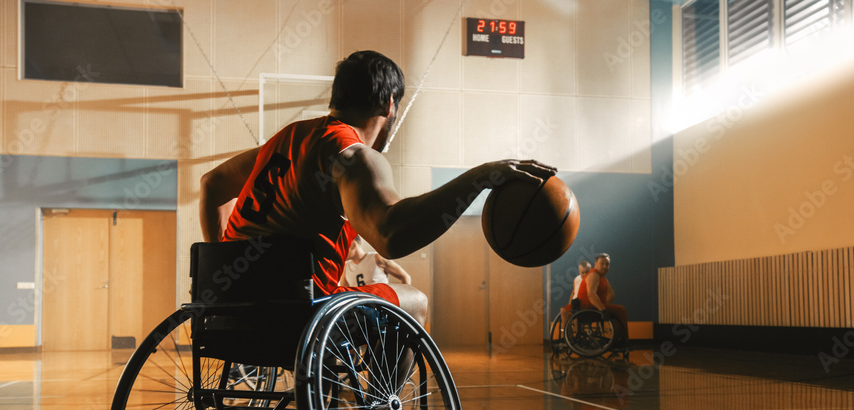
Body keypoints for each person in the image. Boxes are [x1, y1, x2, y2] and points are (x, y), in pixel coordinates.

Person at [200, 50, 555, 327]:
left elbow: (211, 183)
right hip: (298, 312)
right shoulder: (353, 154)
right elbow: (391, 235)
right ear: (390, 104)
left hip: (233, 305)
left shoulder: (287, 138)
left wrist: (225, 272)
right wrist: (480, 177)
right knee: (414, 301)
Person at [560, 253, 629, 345]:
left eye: (607, 264)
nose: (605, 266)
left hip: (592, 306)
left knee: (616, 312)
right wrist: (603, 309)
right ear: (596, 264)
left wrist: (604, 305)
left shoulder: (602, 278)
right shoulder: (593, 275)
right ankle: (623, 340)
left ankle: (618, 339)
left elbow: (611, 294)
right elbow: (591, 294)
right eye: (602, 263)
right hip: (587, 307)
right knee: (621, 310)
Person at [340, 236, 411, 287]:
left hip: (380, 305)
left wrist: (404, 299)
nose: (341, 251)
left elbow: (405, 277)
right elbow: (343, 293)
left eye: (343, 247)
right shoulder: (346, 267)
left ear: (353, 245)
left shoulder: (377, 258)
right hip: (360, 307)